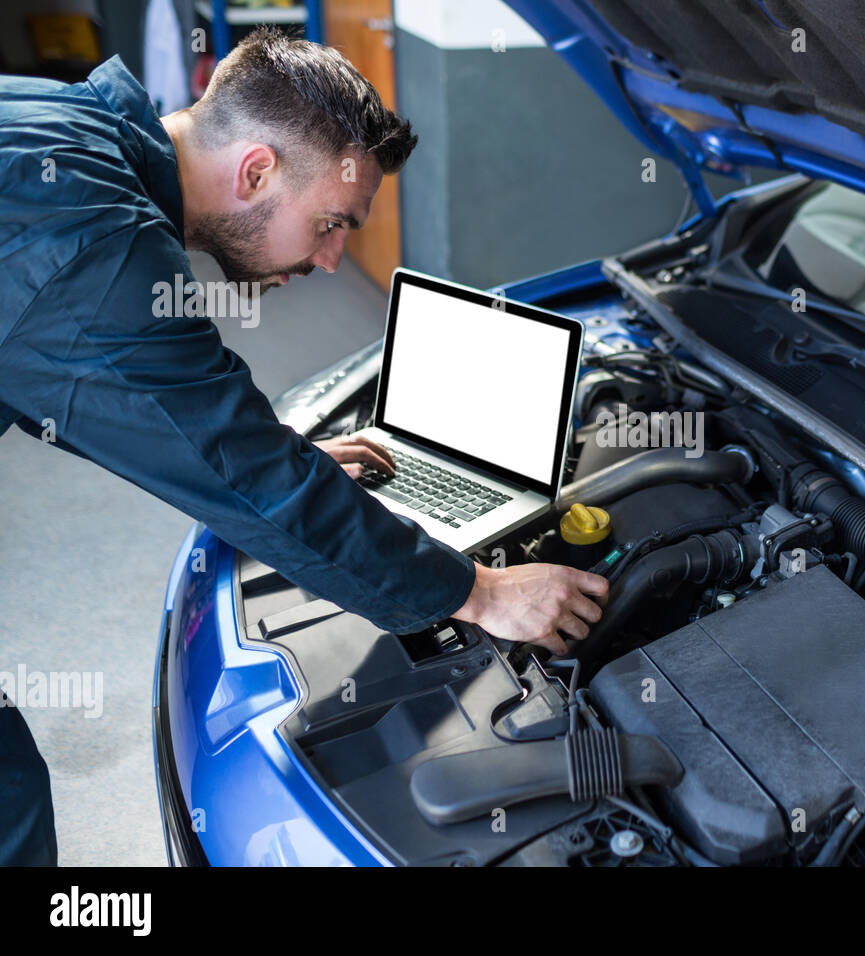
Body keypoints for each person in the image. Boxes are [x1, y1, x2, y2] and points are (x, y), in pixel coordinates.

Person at [0, 28, 608, 865]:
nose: (331, 261)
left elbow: (95, 385)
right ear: (254, 171)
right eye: (331, 224)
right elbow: (232, 465)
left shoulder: (47, 120)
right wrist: (480, 591)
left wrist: (274, 453)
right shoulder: (95, 244)